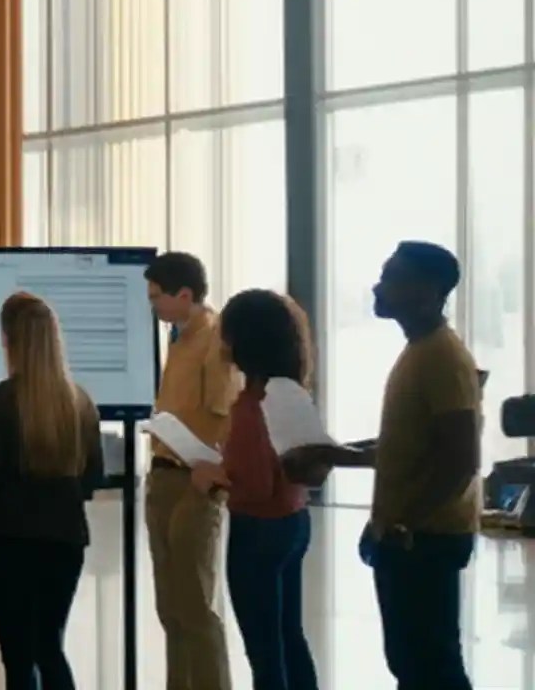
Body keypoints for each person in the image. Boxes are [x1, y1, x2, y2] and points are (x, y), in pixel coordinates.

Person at [295, 241, 480, 690]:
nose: (379, 287)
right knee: (411, 661)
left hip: (426, 538)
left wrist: (404, 522)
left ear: (428, 291)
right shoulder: (419, 351)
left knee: (431, 666)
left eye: (392, 277)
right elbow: (408, 446)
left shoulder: (442, 357)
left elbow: (460, 459)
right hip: (410, 533)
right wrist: (335, 454)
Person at [0, 292, 103, 690]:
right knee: (49, 647)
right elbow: (91, 479)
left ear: (8, 340)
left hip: (7, 540)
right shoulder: (80, 402)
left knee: (18, 659)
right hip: (65, 539)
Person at [190, 290, 319, 690]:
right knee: (290, 638)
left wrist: (213, 478)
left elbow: (255, 487)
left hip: (257, 532)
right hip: (294, 521)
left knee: (264, 653)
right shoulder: (291, 392)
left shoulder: (250, 406)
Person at [142, 251, 236, 690]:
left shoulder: (216, 341)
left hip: (194, 481)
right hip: (163, 475)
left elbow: (223, 418)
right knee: (170, 606)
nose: (152, 306)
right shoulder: (178, 339)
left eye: (157, 297)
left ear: (184, 295)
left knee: (196, 603)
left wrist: (209, 472)